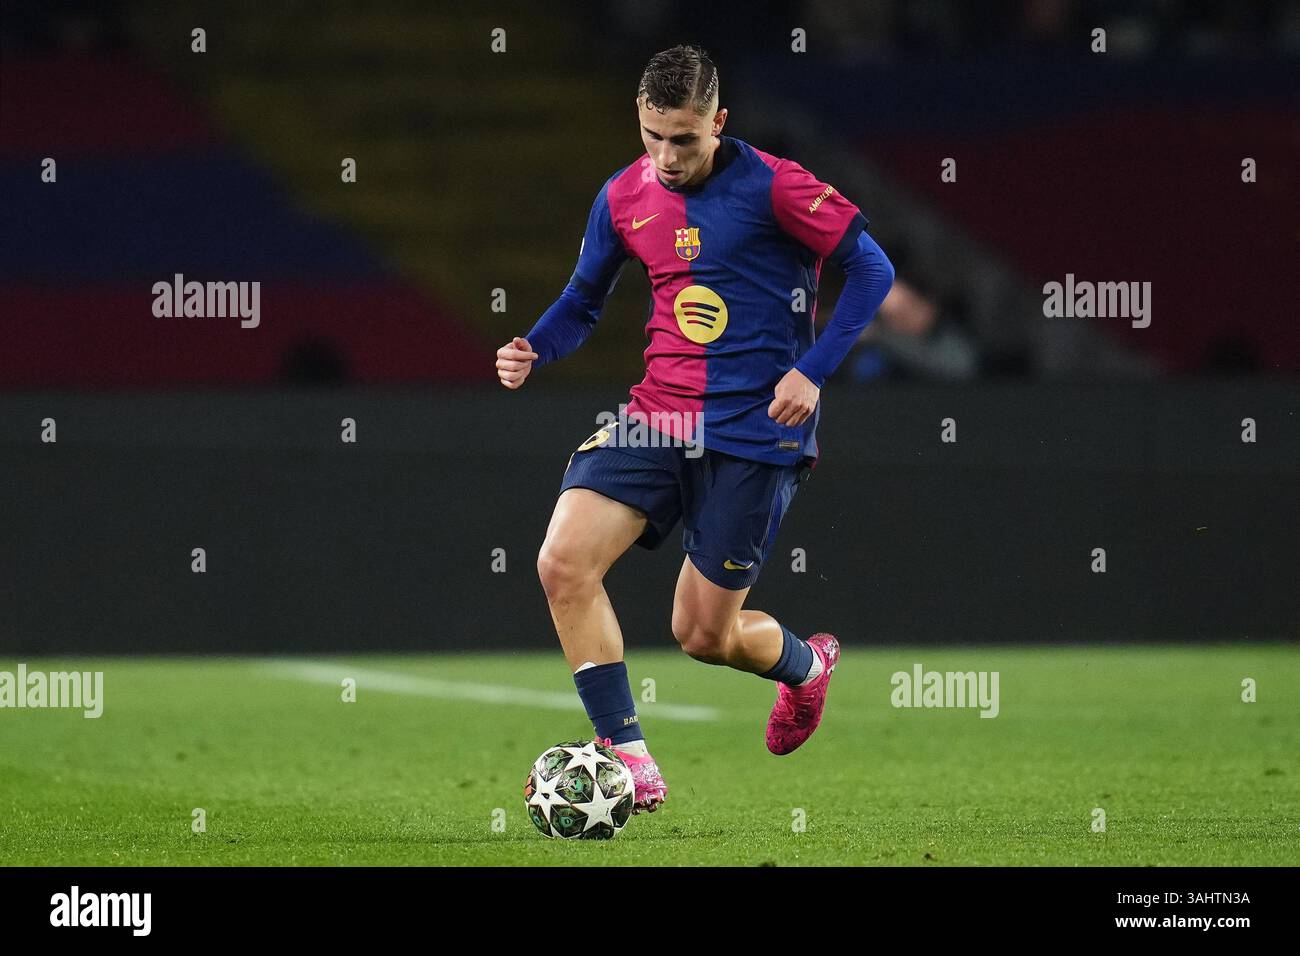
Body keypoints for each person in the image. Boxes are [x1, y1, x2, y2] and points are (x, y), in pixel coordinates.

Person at [495, 44, 894, 813]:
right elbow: (583, 302)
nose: (667, 156)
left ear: (719, 122)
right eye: (653, 136)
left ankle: (807, 669)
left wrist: (812, 370)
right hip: (658, 415)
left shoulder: (778, 186)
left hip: (755, 430)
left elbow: (871, 268)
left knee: (703, 636)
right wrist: (533, 348)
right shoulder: (622, 196)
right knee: (562, 563)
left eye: (685, 138)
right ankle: (632, 757)